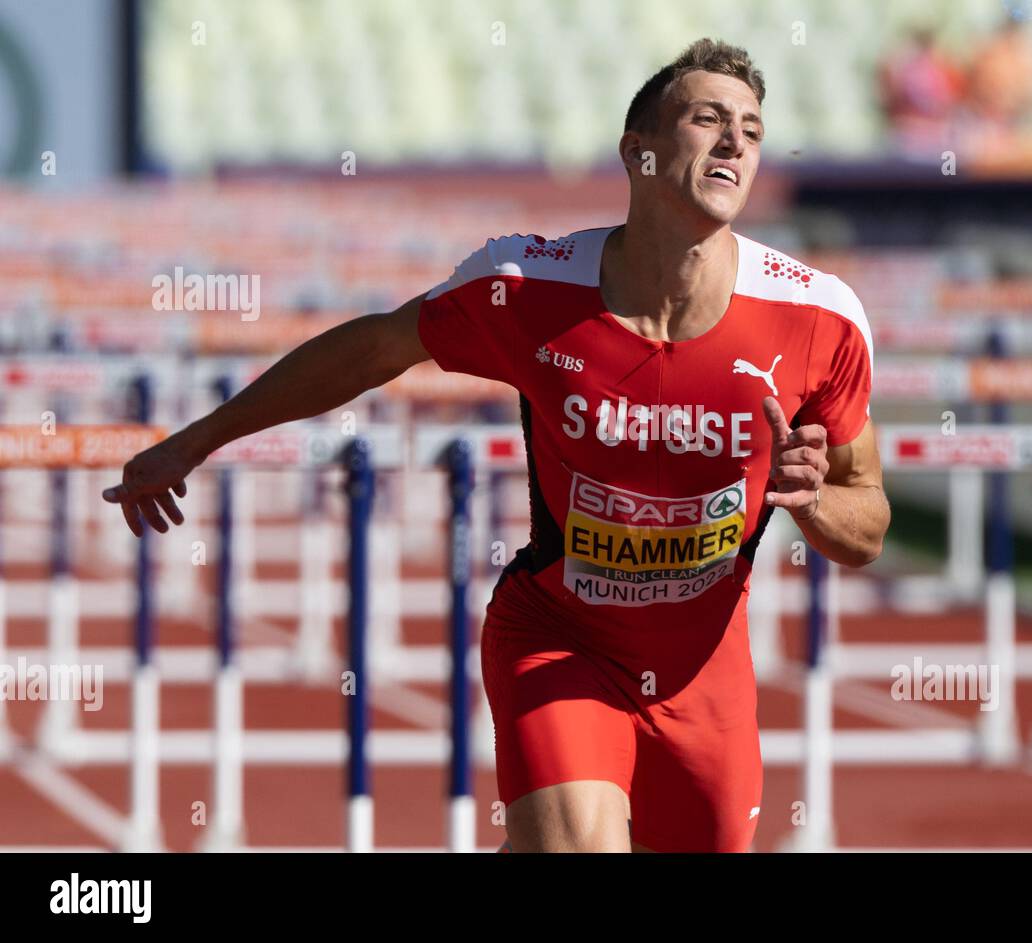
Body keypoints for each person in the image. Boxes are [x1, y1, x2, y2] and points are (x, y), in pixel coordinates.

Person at [103, 38, 891, 853]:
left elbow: (868, 521)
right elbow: (374, 349)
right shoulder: (527, 286)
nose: (734, 143)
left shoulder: (819, 319)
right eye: (708, 120)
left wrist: (815, 501)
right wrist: (194, 441)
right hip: (561, 639)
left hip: (706, 673)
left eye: (753, 131)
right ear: (640, 154)